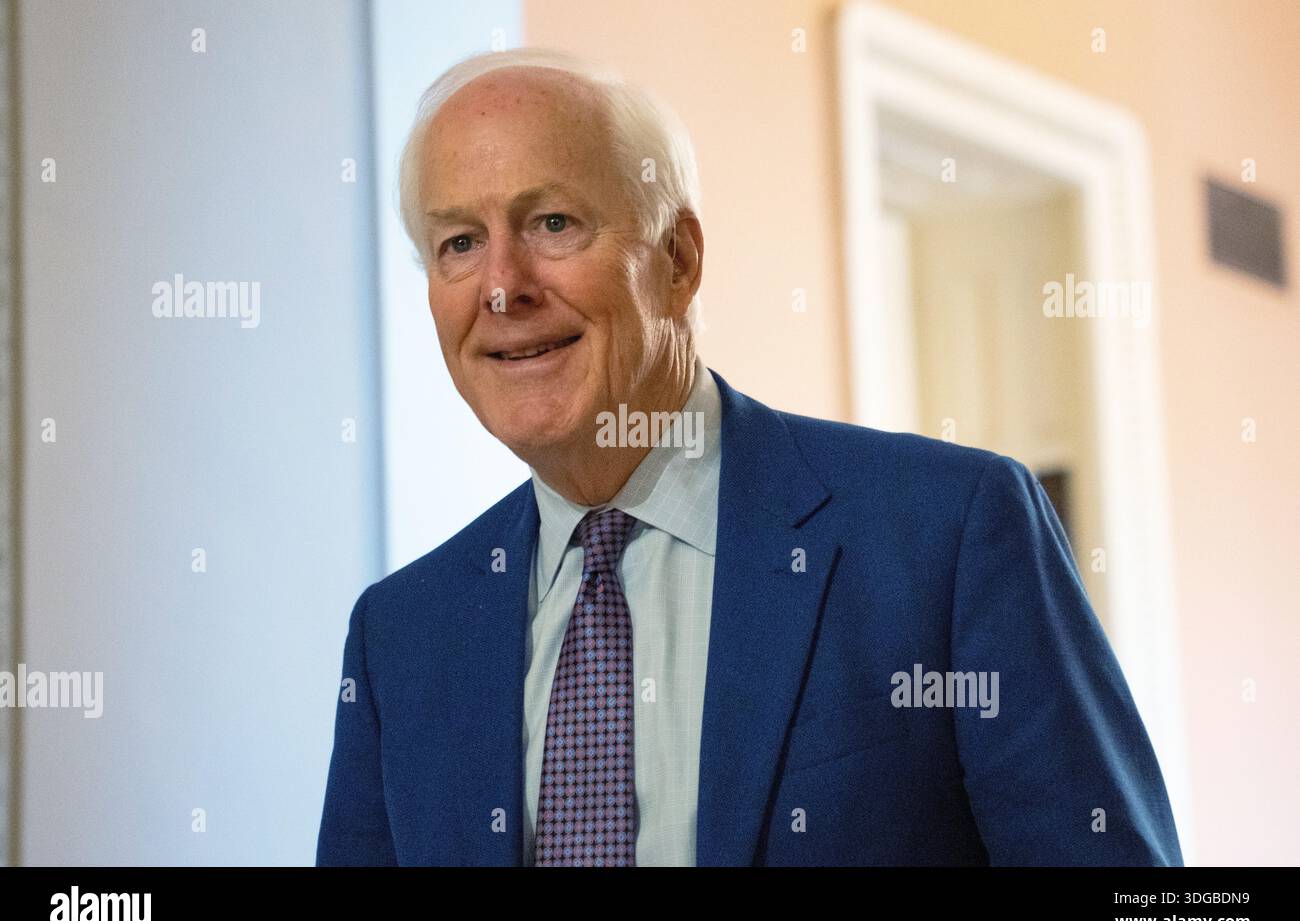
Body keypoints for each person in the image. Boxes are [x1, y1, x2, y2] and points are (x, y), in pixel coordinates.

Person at [316, 47, 1182, 866]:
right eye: (459, 243)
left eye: (552, 222)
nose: (503, 287)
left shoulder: (947, 533)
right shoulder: (398, 637)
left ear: (680, 259)